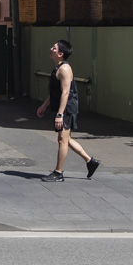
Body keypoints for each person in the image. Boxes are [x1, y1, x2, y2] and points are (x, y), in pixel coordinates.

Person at [36, 39, 99, 181]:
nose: (51, 49)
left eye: (54, 47)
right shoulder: (57, 67)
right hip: (63, 107)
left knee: (62, 140)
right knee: (66, 139)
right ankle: (91, 162)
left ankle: (58, 173)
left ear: (60, 53)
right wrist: (44, 105)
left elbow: (65, 92)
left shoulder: (64, 69)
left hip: (67, 109)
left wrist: (60, 114)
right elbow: (55, 92)